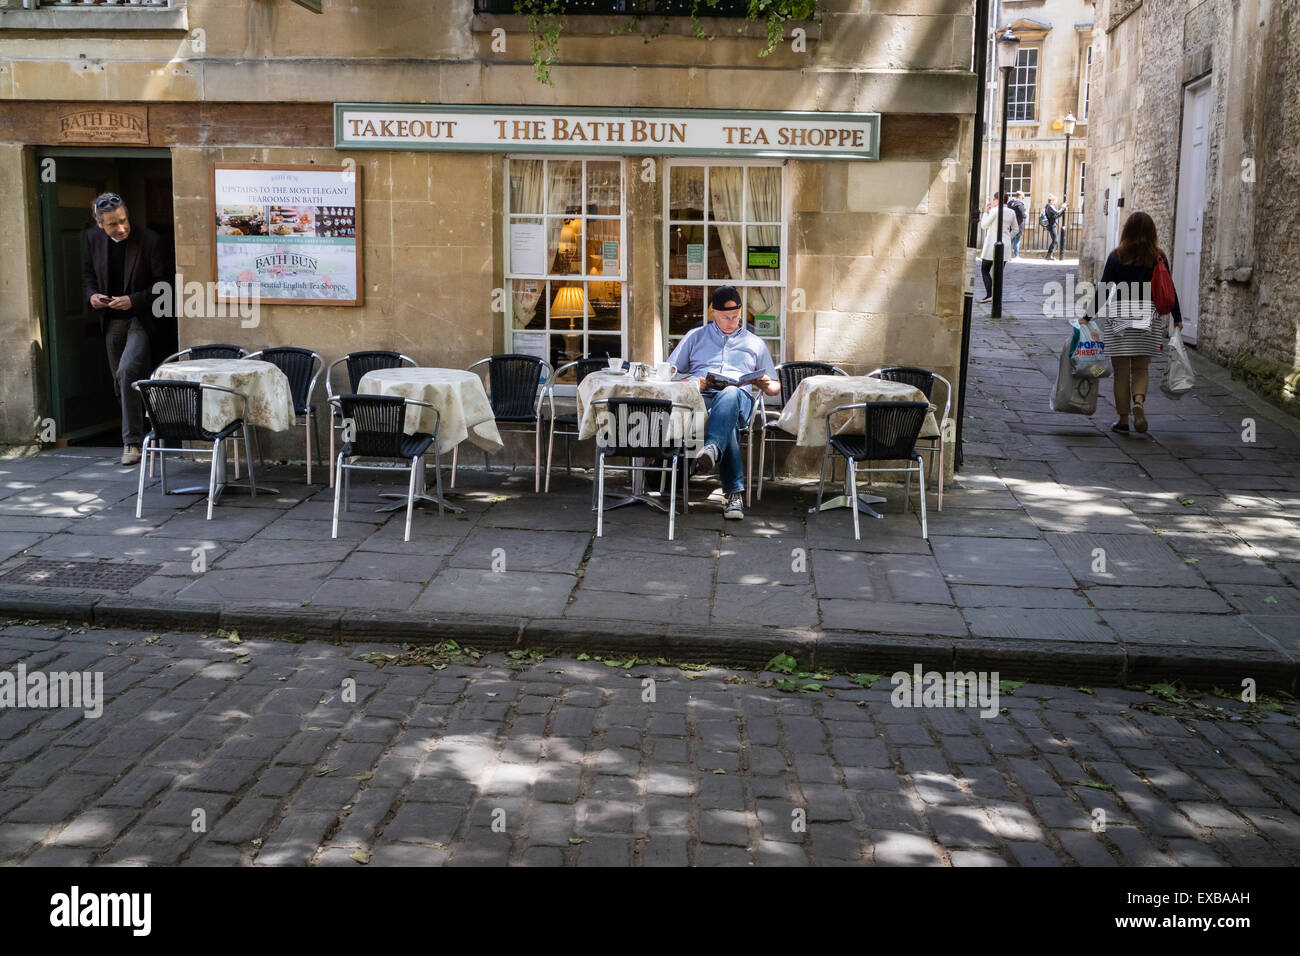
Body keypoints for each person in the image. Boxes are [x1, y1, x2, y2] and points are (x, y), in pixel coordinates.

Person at [667, 286, 780, 520]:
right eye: (726, 317)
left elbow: (776, 388)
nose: (732, 321)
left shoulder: (755, 343)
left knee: (729, 394)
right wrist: (693, 381)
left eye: (736, 316)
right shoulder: (695, 337)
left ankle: (711, 450)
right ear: (714, 314)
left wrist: (766, 384)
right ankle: (733, 494)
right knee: (724, 423)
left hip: (740, 401)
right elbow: (669, 373)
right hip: (702, 400)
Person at [82, 193, 170, 466]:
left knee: (128, 370)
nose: (120, 228)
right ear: (99, 225)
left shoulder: (150, 240)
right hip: (112, 319)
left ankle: (131, 443)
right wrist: (93, 296)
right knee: (120, 382)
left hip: (142, 319)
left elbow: (164, 285)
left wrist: (133, 299)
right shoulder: (91, 239)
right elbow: (87, 276)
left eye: (123, 221)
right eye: (112, 224)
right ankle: (148, 432)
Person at [1093, 211, 1183, 434]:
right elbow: (1168, 288)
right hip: (1147, 316)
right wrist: (1177, 317)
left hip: (1120, 315)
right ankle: (1139, 402)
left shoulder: (1117, 256)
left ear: (1126, 231)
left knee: (1121, 371)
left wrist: (1087, 315)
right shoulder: (1158, 257)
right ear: (1152, 232)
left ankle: (1123, 420)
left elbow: (1104, 289)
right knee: (1141, 368)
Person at [978, 192, 1020, 304]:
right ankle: (996, 297)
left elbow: (984, 225)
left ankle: (989, 295)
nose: (993, 201)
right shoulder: (1011, 212)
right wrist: (1006, 238)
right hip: (1005, 245)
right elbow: (1016, 230)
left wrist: (986, 213)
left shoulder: (994, 210)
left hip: (992, 244)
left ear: (997, 200)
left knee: (985, 270)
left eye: (994, 199)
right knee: (998, 273)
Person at [1043, 194, 1066, 259]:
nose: (1056, 202)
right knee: (1055, 240)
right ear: (1052, 201)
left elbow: (1057, 216)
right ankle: (1049, 255)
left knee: (1055, 240)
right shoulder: (1050, 206)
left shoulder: (1049, 206)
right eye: (1055, 201)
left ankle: (1049, 255)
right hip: (1051, 225)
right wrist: (1062, 207)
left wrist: (1063, 211)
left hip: (1052, 225)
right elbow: (1057, 213)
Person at [1008, 191, 1028, 258]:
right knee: (1017, 241)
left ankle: (1007, 254)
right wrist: (1026, 214)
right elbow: (1023, 215)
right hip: (1018, 225)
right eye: (1023, 197)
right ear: (1019, 196)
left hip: (1010, 225)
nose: (1023, 198)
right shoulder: (1020, 204)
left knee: (1010, 240)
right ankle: (1016, 255)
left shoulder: (1010, 203)